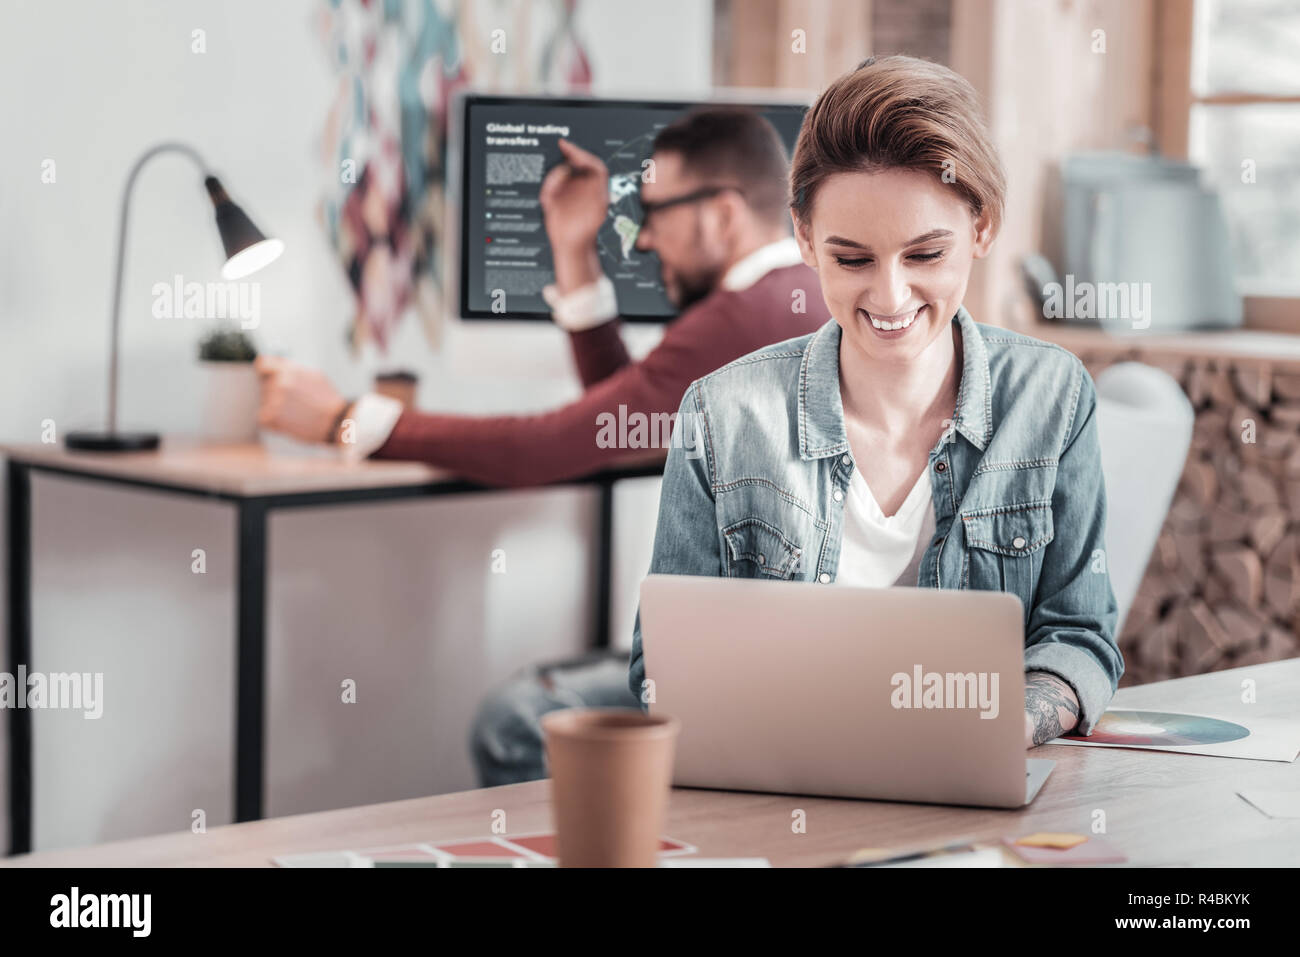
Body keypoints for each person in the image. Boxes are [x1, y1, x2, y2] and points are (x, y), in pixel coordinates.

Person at [629, 55, 1124, 753]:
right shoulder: (722, 414)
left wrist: (1005, 726)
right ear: (803, 237)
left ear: (981, 227)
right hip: (782, 793)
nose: (890, 298)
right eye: (853, 259)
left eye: (924, 255)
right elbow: (662, 669)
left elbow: (1079, 638)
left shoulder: (1052, 397)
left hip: (969, 793)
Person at [255, 107, 827, 487]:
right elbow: (619, 421)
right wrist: (574, 252)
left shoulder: (737, 323)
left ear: (723, 214)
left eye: (652, 211)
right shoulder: (796, 297)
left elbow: (543, 447)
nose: (645, 237)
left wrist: (343, 420)